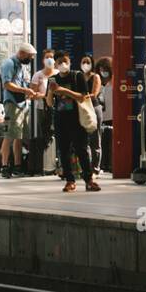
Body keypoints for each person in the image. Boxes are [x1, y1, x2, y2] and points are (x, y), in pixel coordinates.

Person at [48, 52, 100, 193]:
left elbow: (82, 97)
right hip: (60, 119)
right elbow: (49, 102)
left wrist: (63, 90)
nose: (63, 64)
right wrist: (51, 92)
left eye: (65, 61)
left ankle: (89, 180)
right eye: (59, 62)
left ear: (70, 61)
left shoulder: (77, 76)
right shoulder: (53, 79)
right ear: (56, 64)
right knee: (63, 151)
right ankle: (70, 180)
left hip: (77, 119)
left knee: (81, 149)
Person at [0, 43, 38, 178]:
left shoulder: (21, 66)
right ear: (22, 53)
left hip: (22, 104)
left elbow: (22, 83)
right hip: (12, 104)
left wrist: (30, 90)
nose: (30, 59)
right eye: (29, 56)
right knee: (9, 134)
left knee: (19, 136)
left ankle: (17, 165)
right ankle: (4, 166)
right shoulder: (9, 64)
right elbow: (7, 84)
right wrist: (25, 90)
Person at [78, 54, 105, 177]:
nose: (85, 64)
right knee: (84, 139)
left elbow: (94, 93)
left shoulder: (95, 77)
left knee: (95, 138)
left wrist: (80, 97)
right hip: (83, 108)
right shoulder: (78, 76)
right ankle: (86, 166)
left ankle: (96, 167)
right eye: (83, 61)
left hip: (93, 107)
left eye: (88, 62)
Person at [95, 56, 114, 173]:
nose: (103, 72)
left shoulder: (115, 84)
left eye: (106, 69)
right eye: (101, 69)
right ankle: (103, 164)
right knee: (103, 142)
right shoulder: (99, 85)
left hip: (113, 116)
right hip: (103, 117)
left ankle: (110, 164)